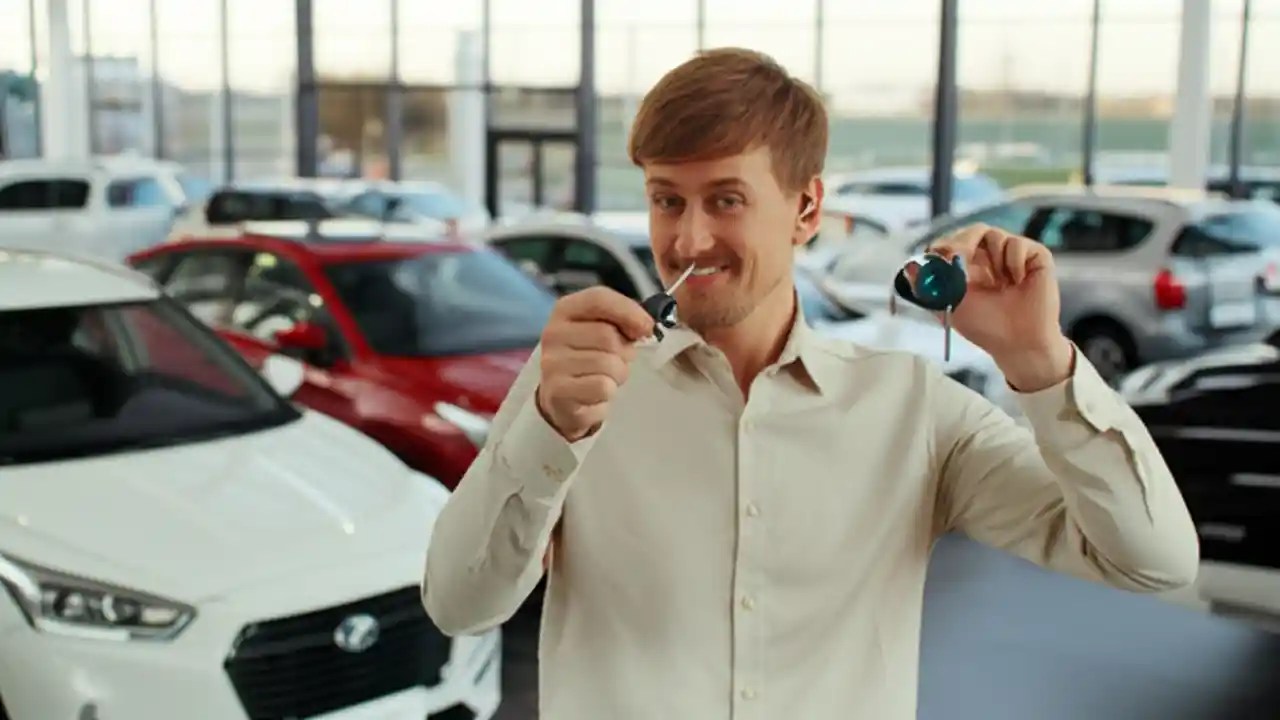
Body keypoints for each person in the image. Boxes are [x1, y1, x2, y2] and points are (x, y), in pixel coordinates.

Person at [422, 48, 1199, 719]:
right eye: (667, 200)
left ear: (806, 208)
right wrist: (548, 434)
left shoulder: (914, 410)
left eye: (725, 199)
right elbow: (460, 605)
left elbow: (1152, 560)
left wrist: (1041, 363)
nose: (688, 239)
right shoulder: (577, 388)